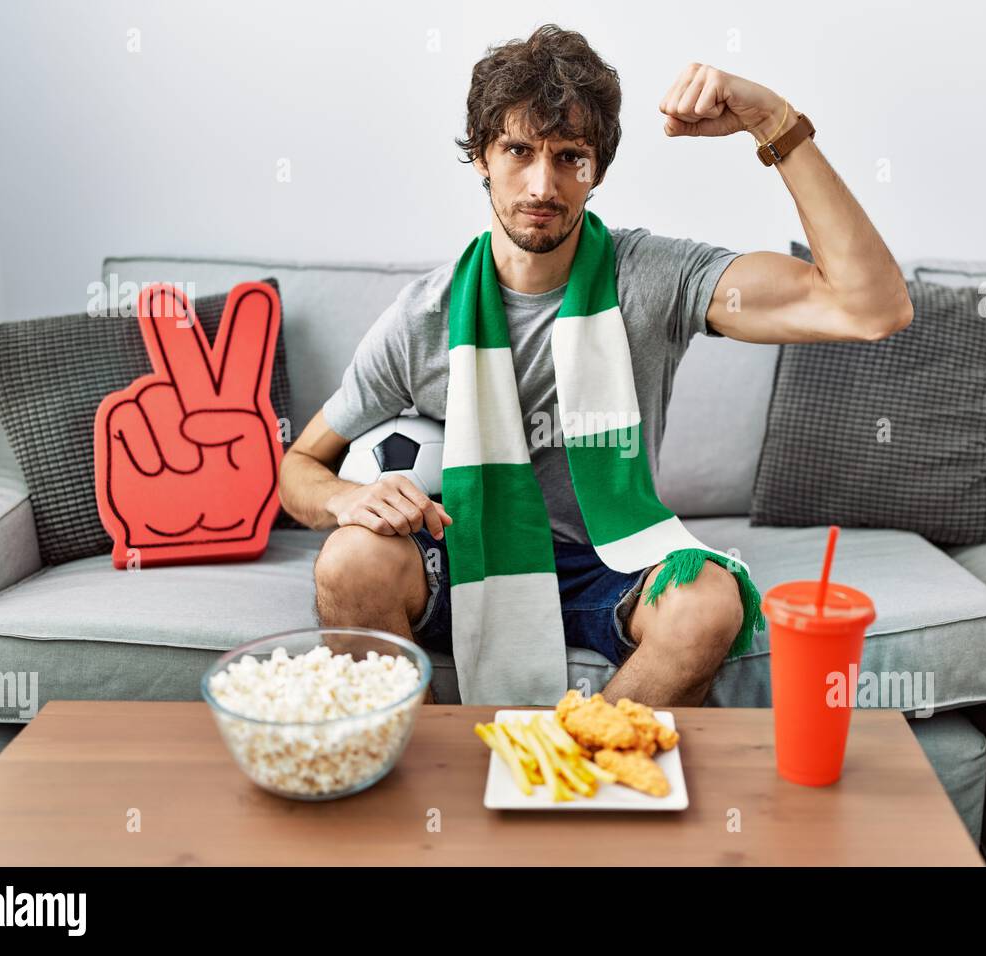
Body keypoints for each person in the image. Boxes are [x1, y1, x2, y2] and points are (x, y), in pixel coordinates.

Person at [278, 24, 911, 706]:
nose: (543, 184)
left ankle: (573, 769)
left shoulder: (653, 279)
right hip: (467, 558)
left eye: (569, 156)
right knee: (349, 560)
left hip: (611, 563)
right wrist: (349, 499)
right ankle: (431, 784)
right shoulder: (423, 318)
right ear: (482, 159)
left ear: (597, 169)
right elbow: (297, 469)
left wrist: (773, 121)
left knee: (707, 602)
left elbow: (866, 307)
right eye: (518, 151)